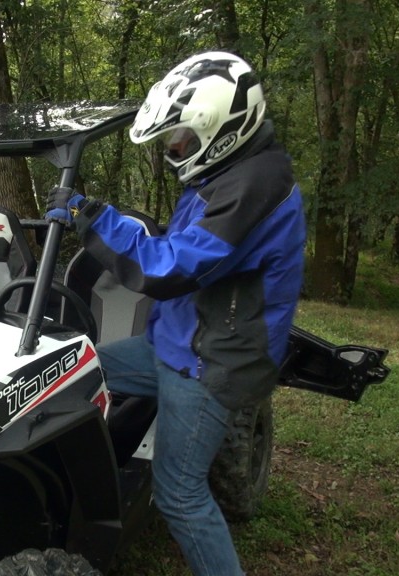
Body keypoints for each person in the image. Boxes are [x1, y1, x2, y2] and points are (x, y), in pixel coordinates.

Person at [44, 51, 307, 575]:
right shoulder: (228, 174)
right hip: (182, 342)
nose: (175, 149)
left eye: (181, 138)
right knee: (72, 371)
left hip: (213, 364)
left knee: (180, 495)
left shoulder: (252, 189)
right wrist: (102, 220)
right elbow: (175, 246)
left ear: (221, 129)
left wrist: (94, 219)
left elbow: (168, 268)